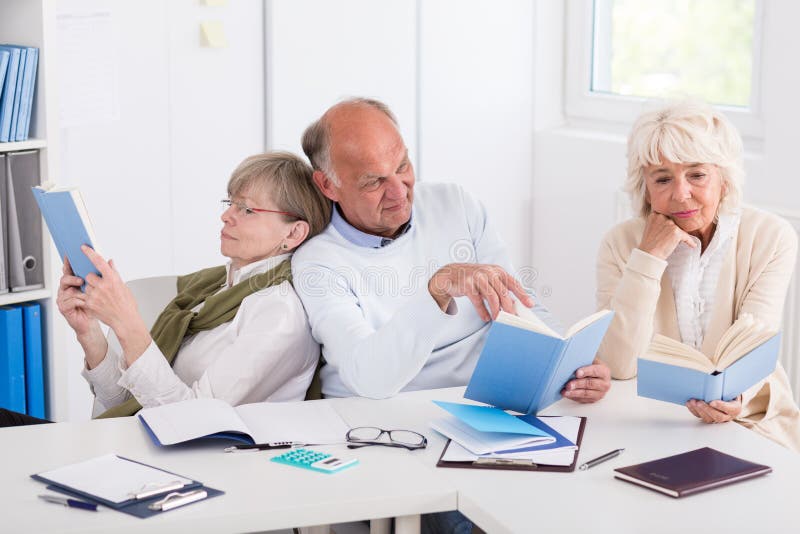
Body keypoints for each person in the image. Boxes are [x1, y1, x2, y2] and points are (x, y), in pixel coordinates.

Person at [293, 97, 611, 401]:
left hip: (479, 401)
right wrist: (436, 291)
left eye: (402, 166)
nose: (397, 192)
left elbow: (518, 305)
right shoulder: (319, 261)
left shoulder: (454, 203)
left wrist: (573, 364)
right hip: (383, 414)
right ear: (327, 185)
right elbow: (369, 379)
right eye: (373, 182)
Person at [0, 151, 331, 427]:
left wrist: (127, 323)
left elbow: (192, 424)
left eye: (246, 209)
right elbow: (124, 402)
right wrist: (90, 332)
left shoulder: (277, 314)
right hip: (134, 443)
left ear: (294, 233)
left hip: (185, 470)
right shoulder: (212, 291)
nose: (225, 216)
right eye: (230, 203)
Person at [596, 100, 800, 451]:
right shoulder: (620, 243)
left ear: (724, 178)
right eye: (662, 179)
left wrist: (734, 399)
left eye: (697, 174)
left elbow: (755, 345)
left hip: (749, 422)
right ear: (645, 188)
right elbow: (619, 365)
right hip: (649, 423)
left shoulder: (770, 236)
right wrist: (649, 256)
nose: (680, 193)